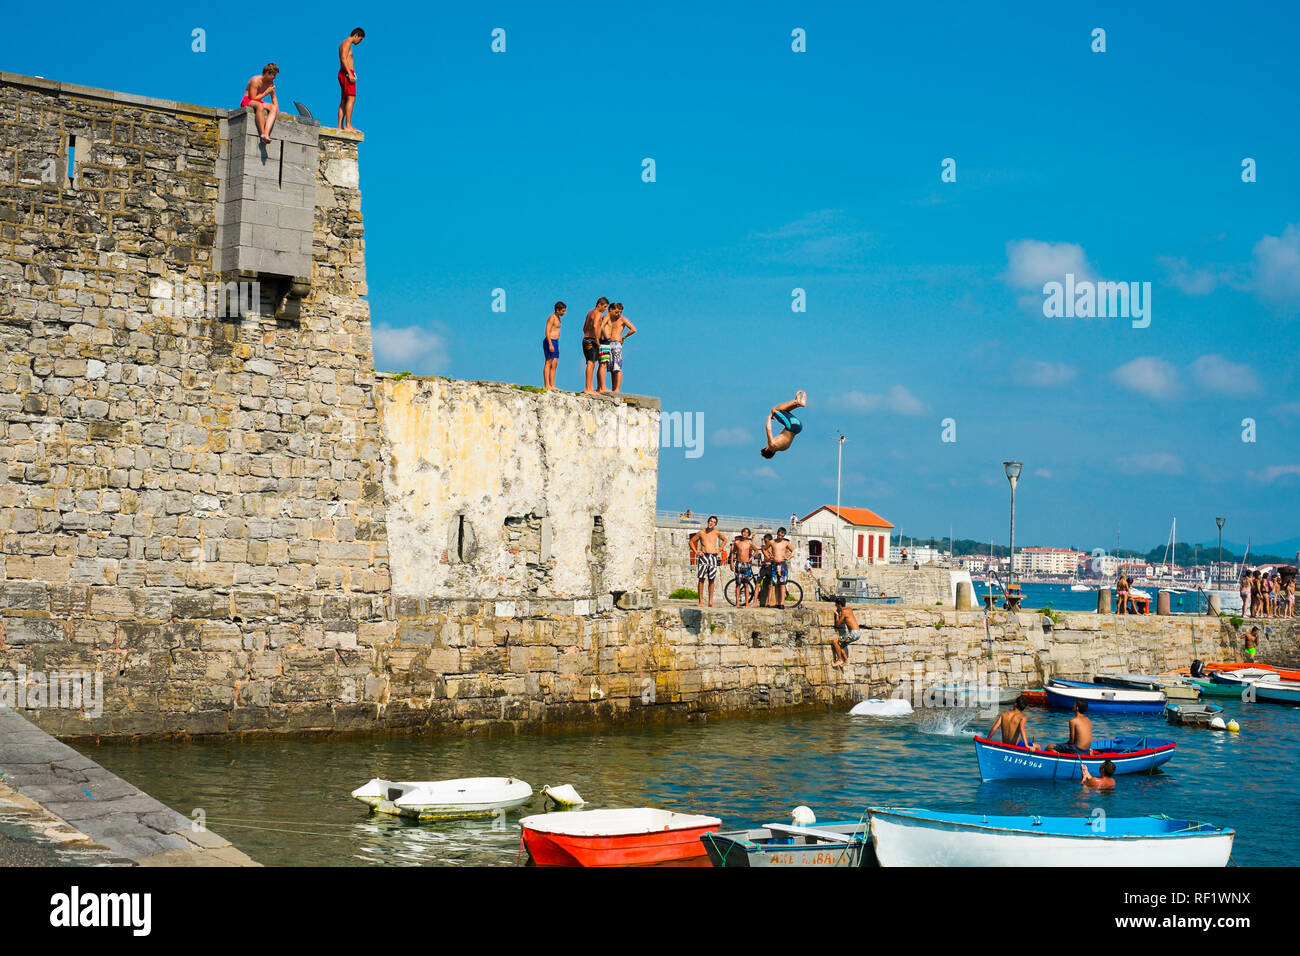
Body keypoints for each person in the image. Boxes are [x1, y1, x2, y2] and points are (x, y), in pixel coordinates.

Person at [689, 515, 727, 608]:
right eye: (710, 521)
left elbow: (725, 539)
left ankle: (710, 601)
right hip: (704, 556)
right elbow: (691, 541)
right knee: (701, 578)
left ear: (715, 524)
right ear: (708, 521)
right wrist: (696, 552)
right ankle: (701, 601)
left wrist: (720, 549)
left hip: (713, 556)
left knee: (712, 580)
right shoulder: (701, 532)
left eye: (714, 522)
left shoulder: (716, 532)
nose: (711, 523)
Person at [601, 302, 637, 393]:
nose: (619, 314)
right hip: (608, 343)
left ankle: (617, 389)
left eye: (620, 312)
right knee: (611, 368)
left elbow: (633, 329)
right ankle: (613, 388)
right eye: (617, 312)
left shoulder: (622, 319)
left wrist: (623, 337)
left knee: (617, 367)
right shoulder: (608, 318)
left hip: (617, 343)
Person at [760, 391, 807, 459]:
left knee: (783, 411)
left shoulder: (783, 449)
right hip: (791, 426)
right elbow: (768, 430)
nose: (767, 445)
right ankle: (796, 402)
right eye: (765, 447)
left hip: (798, 427)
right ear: (766, 449)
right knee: (774, 410)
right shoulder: (772, 445)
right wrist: (769, 418)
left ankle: (797, 403)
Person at [240, 64, 280, 144]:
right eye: (273, 75)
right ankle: (262, 133)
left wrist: (277, 111)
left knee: (273, 108)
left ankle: (266, 133)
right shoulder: (255, 80)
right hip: (247, 100)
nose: (274, 77)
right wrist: (266, 93)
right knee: (260, 106)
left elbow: (273, 97)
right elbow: (253, 97)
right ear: (267, 73)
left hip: (258, 101)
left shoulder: (270, 82)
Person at [337, 28, 365, 132]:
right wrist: (349, 73)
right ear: (356, 35)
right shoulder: (347, 42)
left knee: (344, 100)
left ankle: (340, 126)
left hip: (344, 73)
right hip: (347, 73)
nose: (360, 42)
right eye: (360, 39)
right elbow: (343, 58)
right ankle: (348, 125)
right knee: (351, 99)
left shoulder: (344, 43)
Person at [582, 297, 610, 394]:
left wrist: (587, 334)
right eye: (605, 307)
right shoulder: (598, 313)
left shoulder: (589, 312)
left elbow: (584, 327)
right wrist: (597, 340)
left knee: (590, 363)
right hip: (592, 340)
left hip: (585, 339)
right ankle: (588, 388)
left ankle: (590, 387)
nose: (605, 309)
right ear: (599, 305)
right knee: (591, 364)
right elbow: (594, 325)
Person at [729, 528, 759, 607]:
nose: (745, 534)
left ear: (748, 534)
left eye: (747, 532)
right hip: (738, 564)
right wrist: (731, 563)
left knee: (746, 584)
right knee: (738, 584)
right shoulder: (737, 542)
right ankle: (737, 603)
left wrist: (751, 557)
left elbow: (756, 550)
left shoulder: (749, 543)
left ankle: (746, 603)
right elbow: (733, 553)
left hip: (746, 564)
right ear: (741, 533)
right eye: (744, 532)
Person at [831, 598, 862, 670]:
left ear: (839, 605)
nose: (836, 607)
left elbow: (838, 624)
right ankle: (846, 661)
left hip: (853, 633)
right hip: (857, 633)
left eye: (836, 606)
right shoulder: (849, 609)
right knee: (840, 645)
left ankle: (839, 660)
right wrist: (839, 610)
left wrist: (837, 614)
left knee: (835, 642)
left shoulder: (844, 612)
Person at [541, 302, 565, 390]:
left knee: (554, 364)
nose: (564, 313)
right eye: (562, 311)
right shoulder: (552, 318)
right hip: (550, 341)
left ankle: (552, 384)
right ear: (557, 310)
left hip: (555, 342)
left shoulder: (558, 318)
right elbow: (547, 331)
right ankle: (547, 385)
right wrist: (550, 343)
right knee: (548, 362)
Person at [770, 527, 795, 607]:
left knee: (782, 584)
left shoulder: (785, 543)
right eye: (779, 535)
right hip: (774, 564)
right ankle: (777, 602)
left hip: (782, 564)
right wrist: (769, 556)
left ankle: (782, 603)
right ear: (777, 533)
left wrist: (788, 557)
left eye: (781, 535)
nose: (780, 537)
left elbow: (793, 550)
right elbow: (764, 548)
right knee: (776, 584)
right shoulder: (772, 542)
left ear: (784, 535)